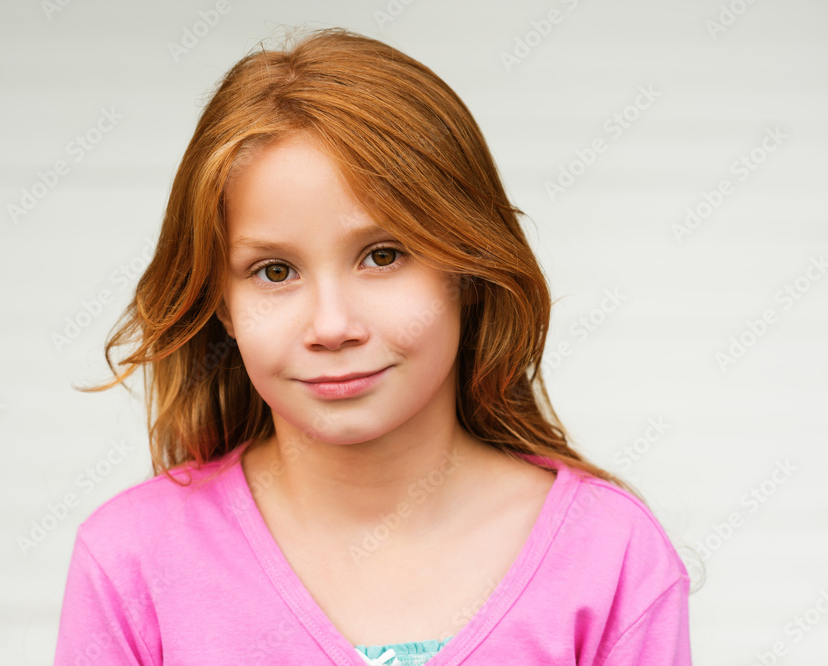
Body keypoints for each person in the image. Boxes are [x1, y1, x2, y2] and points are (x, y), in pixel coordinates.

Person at [53, 26, 692, 665]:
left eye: (382, 256)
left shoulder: (612, 556)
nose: (332, 326)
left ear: (467, 270)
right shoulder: (130, 564)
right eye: (274, 271)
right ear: (220, 302)